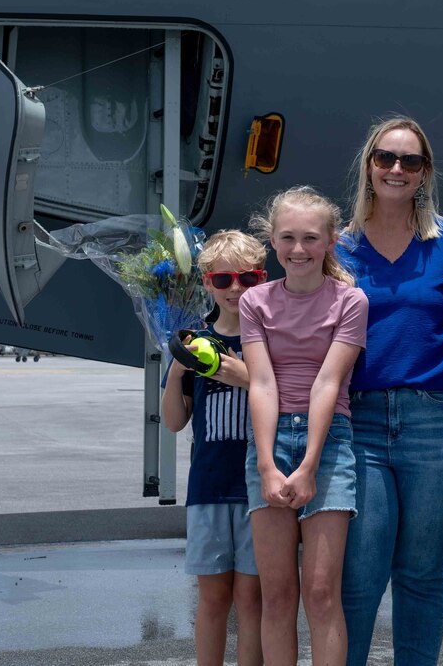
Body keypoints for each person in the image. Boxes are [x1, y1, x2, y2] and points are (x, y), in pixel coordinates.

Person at [336, 117, 443, 665]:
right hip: (360, 421)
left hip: (437, 423)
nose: (396, 168)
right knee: (361, 575)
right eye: (386, 157)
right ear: (369, 164)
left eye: (409, 161)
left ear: (424, 173)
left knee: (421, 574)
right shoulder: (336, 247)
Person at [239, 186, 369, 666]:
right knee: (276, 595)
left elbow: (327, 384)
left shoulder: (350, 302)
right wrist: (269, 464)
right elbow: (263, 384)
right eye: (288, 238)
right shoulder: (256, 302)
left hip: (329, 443)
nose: (299, 249)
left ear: (331, 241)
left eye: (311, 238)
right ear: (272, 241)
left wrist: (310, 463)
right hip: (269, 444)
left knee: (320, 592)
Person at [162, 229, 267, 666]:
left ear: (263, 279)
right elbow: (173, 421)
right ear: (207, 282)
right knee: (212, 599)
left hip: (259, 489)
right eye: (223, 280)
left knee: (251, 599)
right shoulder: (196, 340)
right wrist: (175, 368)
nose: (236, 288)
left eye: (248, 277)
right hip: (208, 488)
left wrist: (246, 373)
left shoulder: (270, 340)